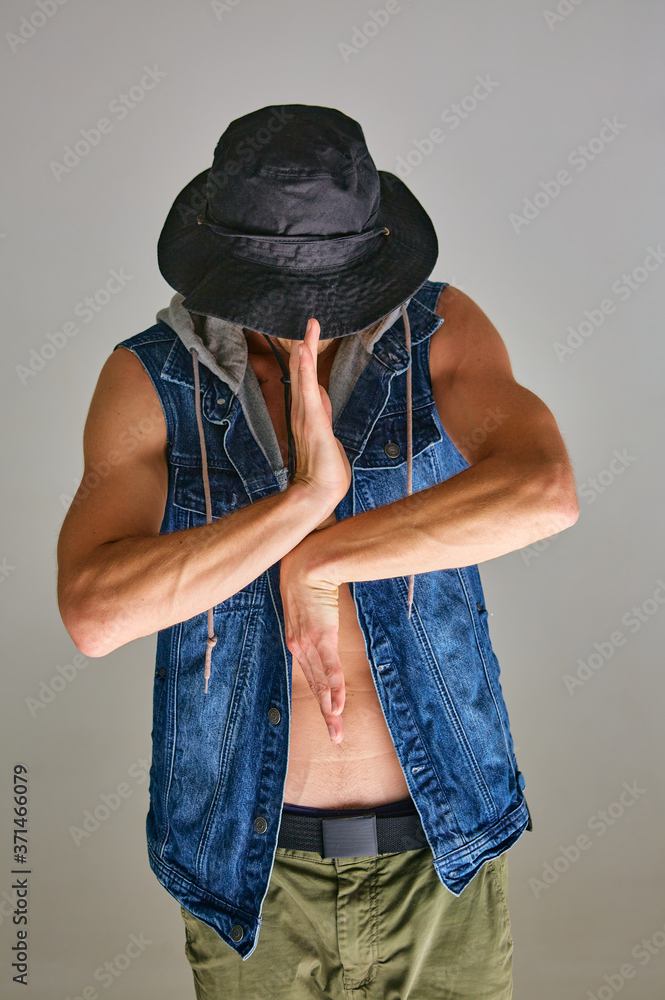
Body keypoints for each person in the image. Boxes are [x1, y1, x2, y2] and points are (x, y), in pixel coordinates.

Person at [56, 104, 579, 998]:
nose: (309, 318)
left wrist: (326, 556)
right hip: (250, 877)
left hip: (441, 854)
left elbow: (543, 491)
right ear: (223, 264)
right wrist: (302, 505)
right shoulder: (149, 378)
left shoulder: (436, 330)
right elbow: (97, 613)